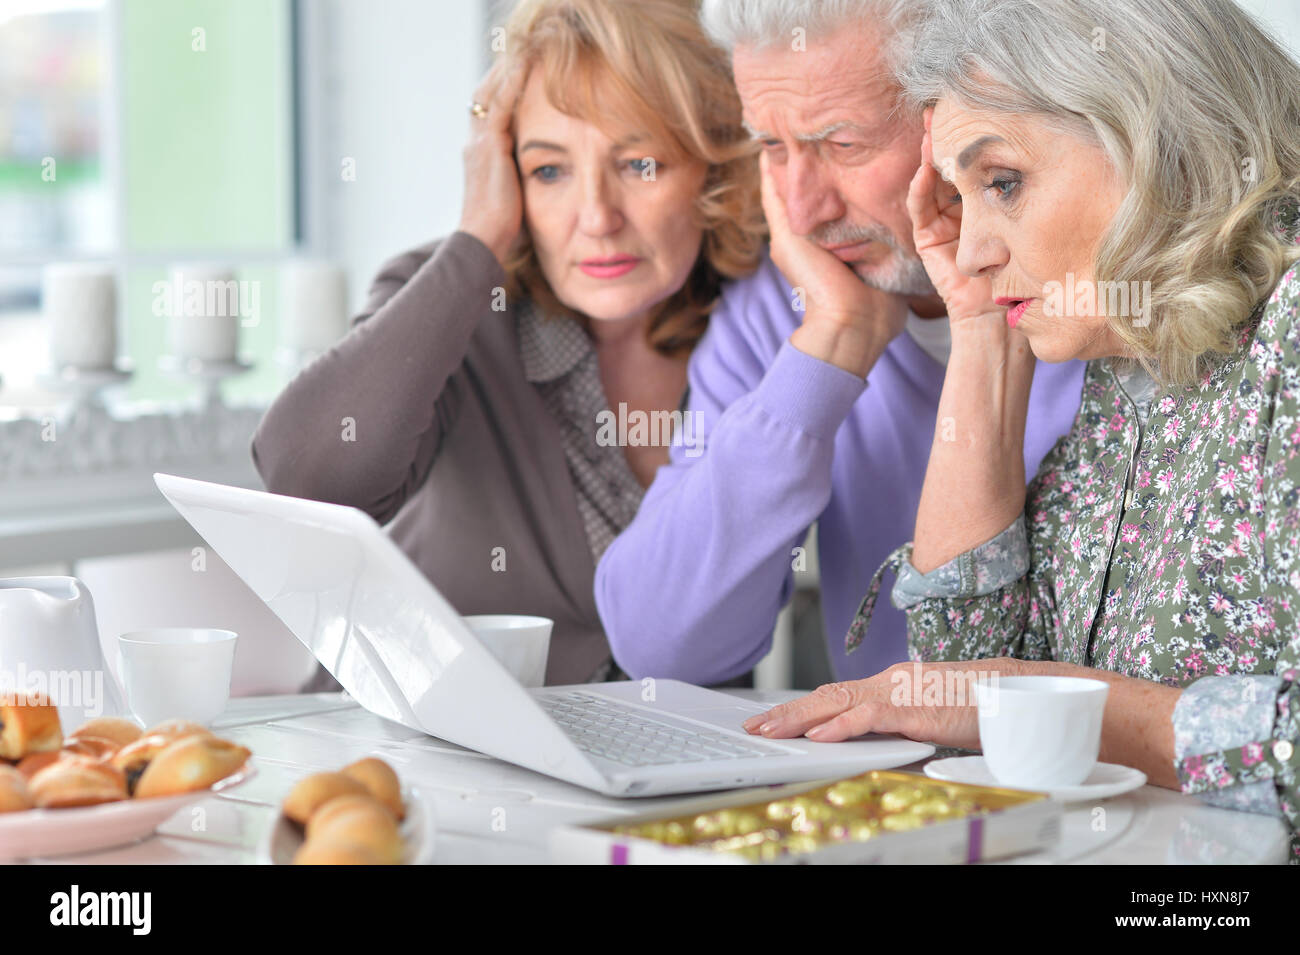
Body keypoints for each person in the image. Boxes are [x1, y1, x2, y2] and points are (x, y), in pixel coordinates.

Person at [741, 0, 1300, 858]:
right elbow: (965, 691)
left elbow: (997, 689)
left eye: (1001, 183)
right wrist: (978, 330)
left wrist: (1042, 693)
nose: (968, 250)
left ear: (1157, 136)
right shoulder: (1132, 354)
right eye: (962, 200)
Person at [250, 0, 764, 685]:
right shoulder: (457, 304)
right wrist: (478, 241)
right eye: (549, 170)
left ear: (714, 165)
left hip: (676, 778)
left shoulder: (763, 327)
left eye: (640, 163)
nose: (597, 218)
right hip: (412, 766)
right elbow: (306, 478)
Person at [594, 0, 1085, 684]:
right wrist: (833, 343)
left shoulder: (1104, 300)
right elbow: (662, 647)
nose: (802, 211)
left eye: (842, 144)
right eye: (772, 146)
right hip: (891, 787)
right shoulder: (787, 304)